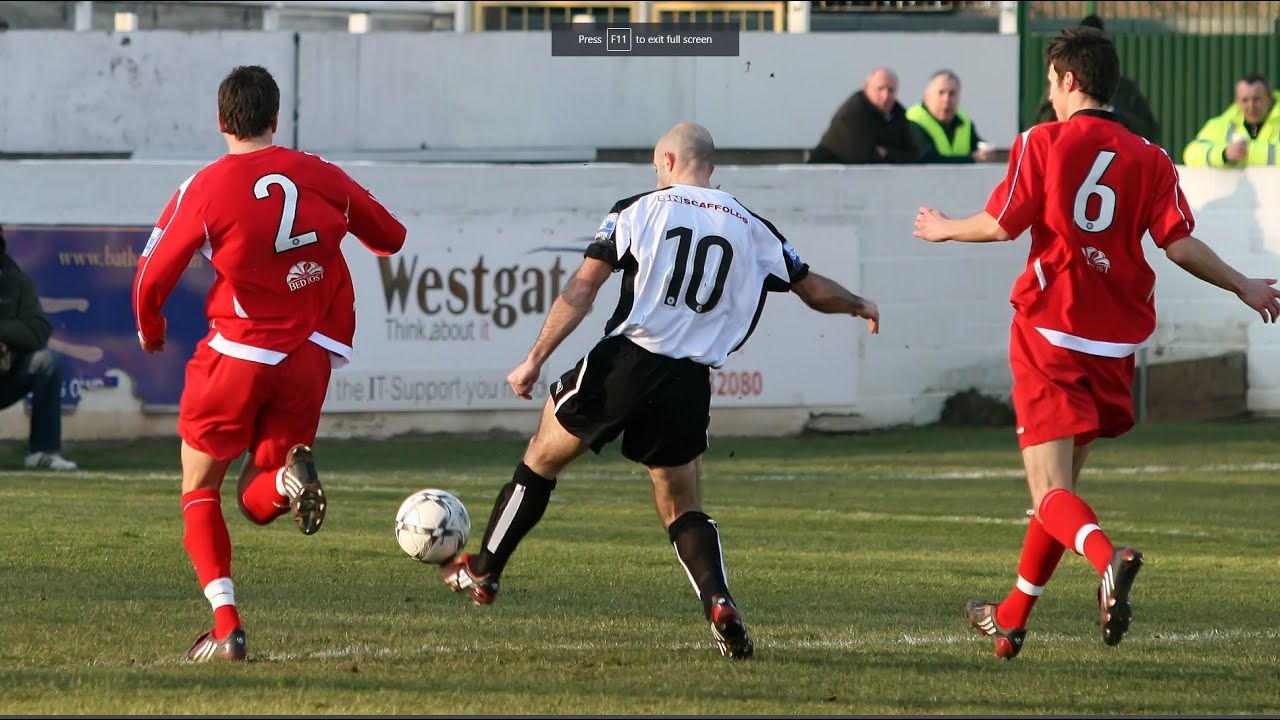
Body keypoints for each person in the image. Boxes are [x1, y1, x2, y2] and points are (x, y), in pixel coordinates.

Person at [439, 122, 880, 660]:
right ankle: (719, 601)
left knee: (541, 458)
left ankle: (484, 571)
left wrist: (534, 358)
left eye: (656, 164)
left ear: (668, 160)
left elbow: (583, 287)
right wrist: (858, 303)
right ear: (710, 166)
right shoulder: (752, 226)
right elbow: (812, 288)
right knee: (682, 505)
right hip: (689, 381)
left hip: (627, 361)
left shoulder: (639, 209)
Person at [913, 27, 1280, 660]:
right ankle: (1010, 619)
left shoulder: (1042, 141)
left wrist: (945, 227)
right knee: (1059, 498)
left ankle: (1110, 559)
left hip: (1049, 332)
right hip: (1112, 346)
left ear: (1069, 80)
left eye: (1052, 84)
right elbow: (1178, 244)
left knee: (1049, 495)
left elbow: (1003, 224)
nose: (1050, 97)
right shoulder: (1151, 157)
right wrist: (1243, 284)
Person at [132, 65, 406, 663]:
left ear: (220, 121)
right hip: (307, 356)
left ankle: (226, 625)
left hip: (237, 353)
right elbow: (390, 236)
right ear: (276, 119)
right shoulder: (321, 172)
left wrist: (151, 331)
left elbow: (152, 276)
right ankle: (287, 480)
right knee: (258, 497)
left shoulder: (203, 187)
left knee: (199, 488)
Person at [0, 226, 78, 471]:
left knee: (47, 362)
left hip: (5, 376)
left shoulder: (17, 282)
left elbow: (38, 332)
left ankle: (43, 452)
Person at [1035, 15, 1160, 143]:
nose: (1051, 96)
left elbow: (1149, 129)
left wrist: (1114, 115)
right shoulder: (1059, 87)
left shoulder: (1125, 89)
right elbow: (1043, 120)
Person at [809, 66, 917, 164]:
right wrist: (895, 154)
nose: (885, 95)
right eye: (880, 89)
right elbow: (864, 158)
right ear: (866, 88)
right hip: (824, 175)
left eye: (891, 90)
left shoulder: (898, 113)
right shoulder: (854, 112)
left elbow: (913, 155)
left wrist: (886, 153)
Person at [1183, 73, 1280, 168]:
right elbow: (1191, 154)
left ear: (1270, 99)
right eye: (1245, 100)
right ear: (1237, 101)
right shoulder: (1223, 123)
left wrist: (1248, 152)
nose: (1251, 106)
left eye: (1257, 99)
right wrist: (1224, 154)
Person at [906, 70, 998, 164]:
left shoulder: (964, 122)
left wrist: (986, 152)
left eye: (952, 93)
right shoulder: (912, 120)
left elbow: (977, 146)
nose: (946, 99)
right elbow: (928, 159)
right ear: (926, 96)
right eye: (941, 93)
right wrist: (972, 159)